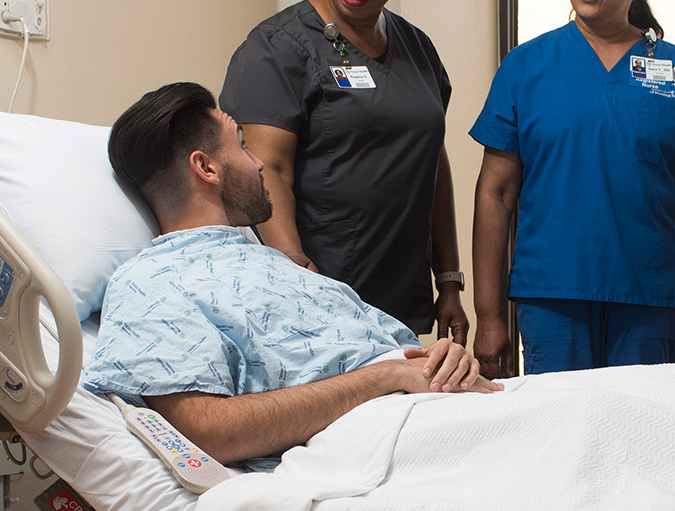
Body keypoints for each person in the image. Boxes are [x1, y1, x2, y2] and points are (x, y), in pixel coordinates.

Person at [85, 83, 500, 472]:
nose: (259, 162)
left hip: (439, 410)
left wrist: (444, 360)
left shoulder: (279, 266)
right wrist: (386, 376)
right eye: (244, 146)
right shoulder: (152, 283)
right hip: (378, 442)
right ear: (207, 167)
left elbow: (405, 360)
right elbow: (208, 432)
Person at [470, 0, 675, 377]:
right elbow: (494, 194)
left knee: (641, 437)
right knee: (559, 433)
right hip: (552, 293)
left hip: (649, 296)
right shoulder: (526, 66)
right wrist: (490, 314)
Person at [219, 0, 468, 339]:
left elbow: (432, 160)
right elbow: (263, 167)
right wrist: (296, 272)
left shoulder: (417, 48)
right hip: (316, 295)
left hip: (400, 296)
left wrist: (448, 279)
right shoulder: (277, 48)